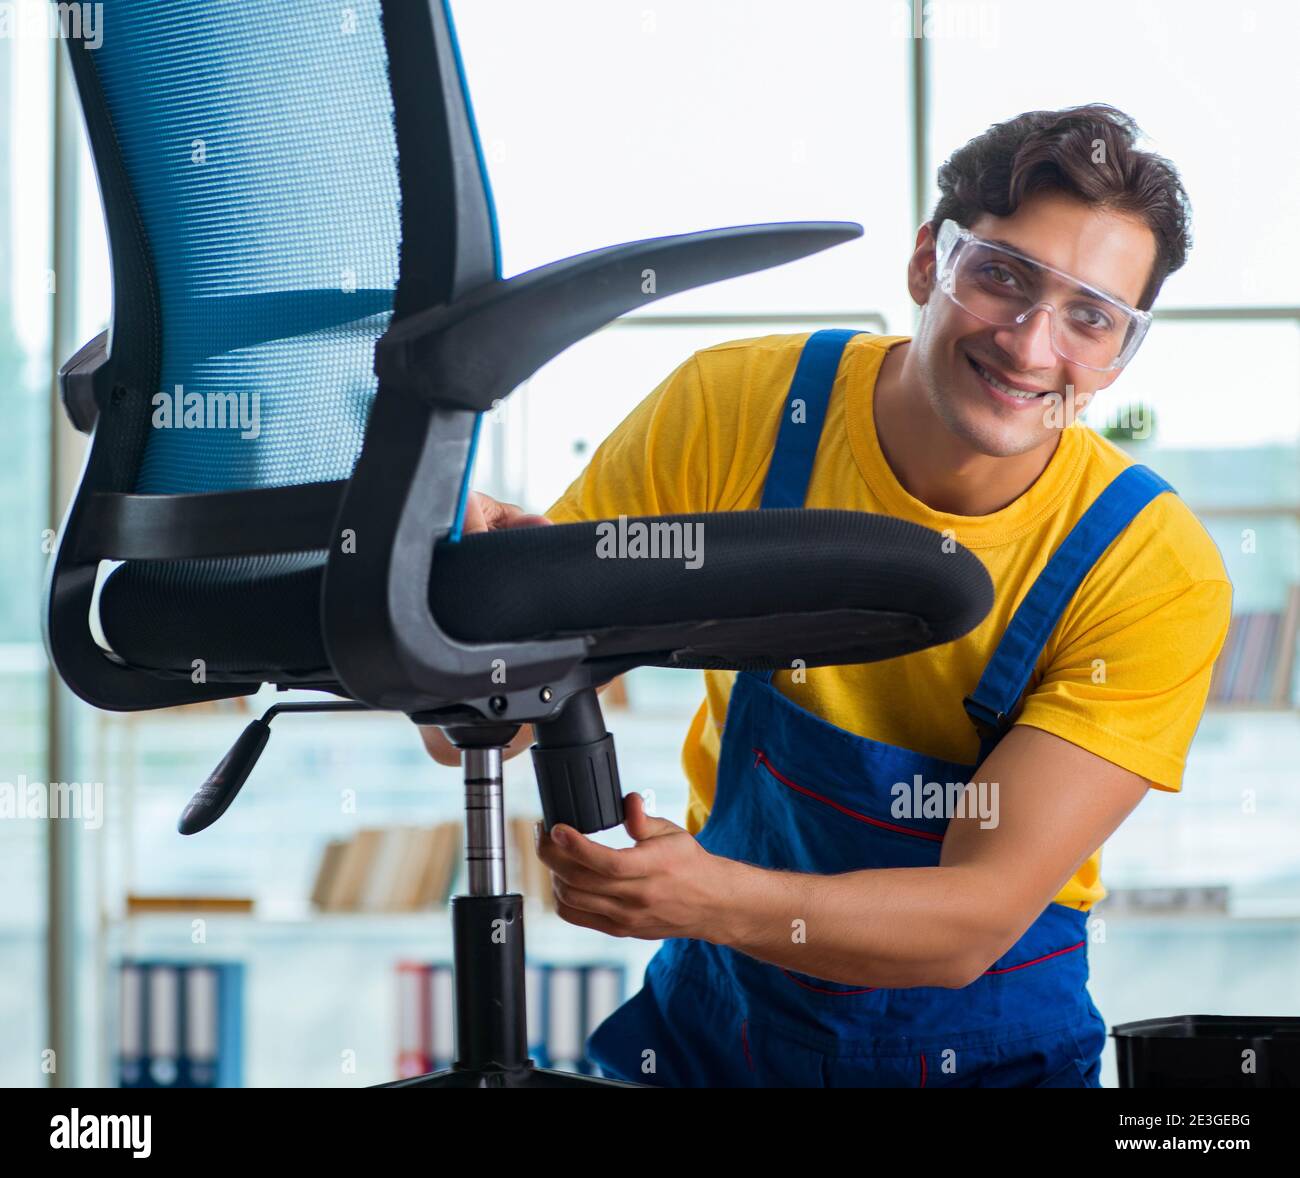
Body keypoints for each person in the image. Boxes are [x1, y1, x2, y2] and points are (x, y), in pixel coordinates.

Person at [420, 103, 1232, 1087]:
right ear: (929, 260)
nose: (1028, 346)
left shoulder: (1145, 566)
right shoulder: (736, 413)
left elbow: (970, 919)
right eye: (1002, 276)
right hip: (717, 1033)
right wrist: (480, 601)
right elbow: (482, 723)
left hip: (987, 1061)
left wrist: (709, 899)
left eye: (1089, 317)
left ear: (1120, 354)